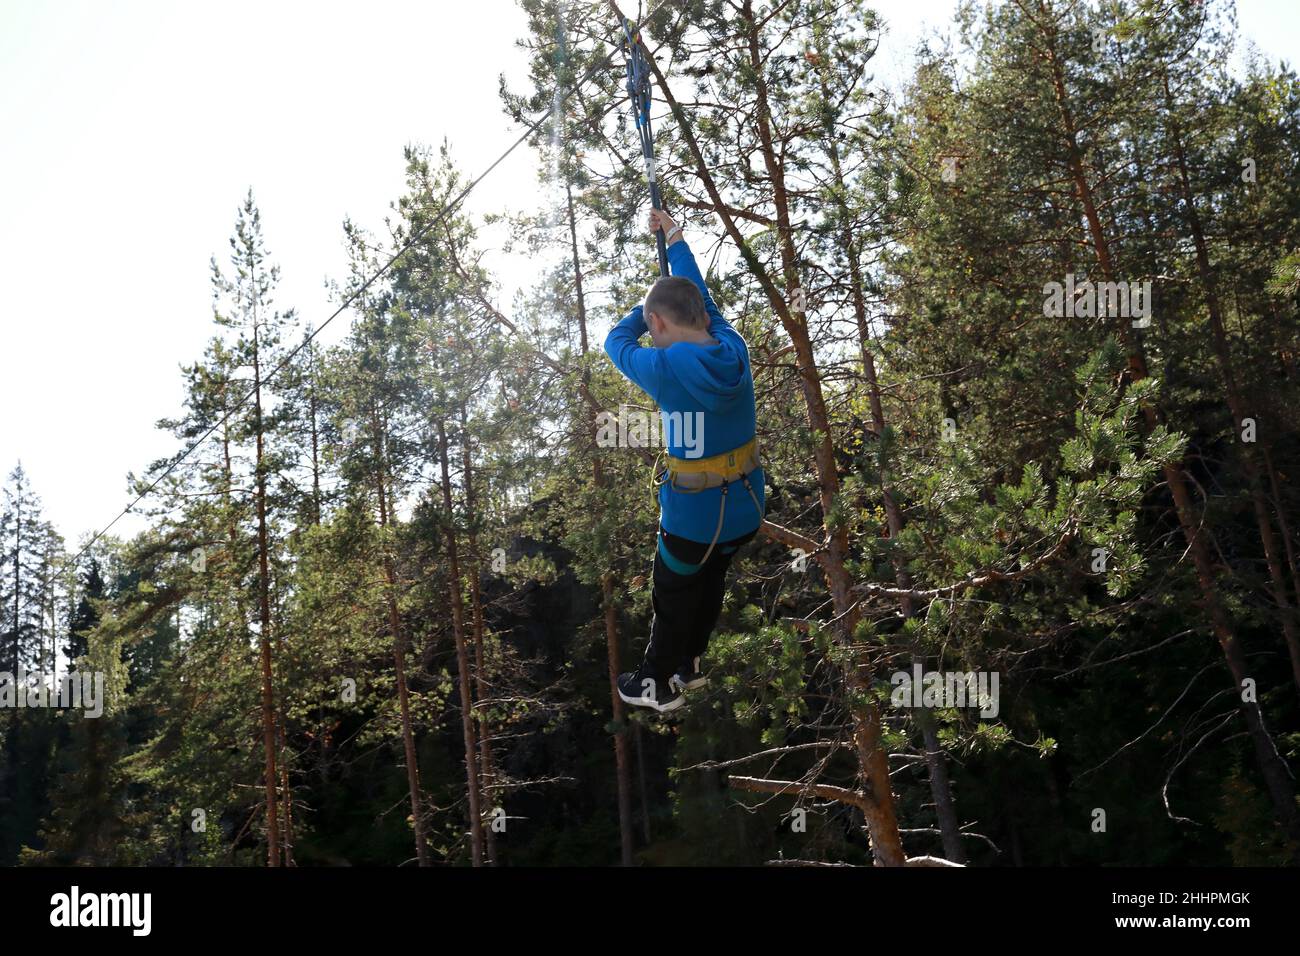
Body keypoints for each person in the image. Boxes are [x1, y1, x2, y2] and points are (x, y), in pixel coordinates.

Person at [603, 208, 765, 713]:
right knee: (710, 577)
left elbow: (615, 341)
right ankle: (688, 666)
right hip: (745, 510)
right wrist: (673, 240)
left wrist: (643, 302)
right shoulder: (733, 346)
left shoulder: (665, 367)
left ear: (656, 322)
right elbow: (700, 298)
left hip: (694, 518)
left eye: (653, 326)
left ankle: (655, 680)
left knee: (673, 594)